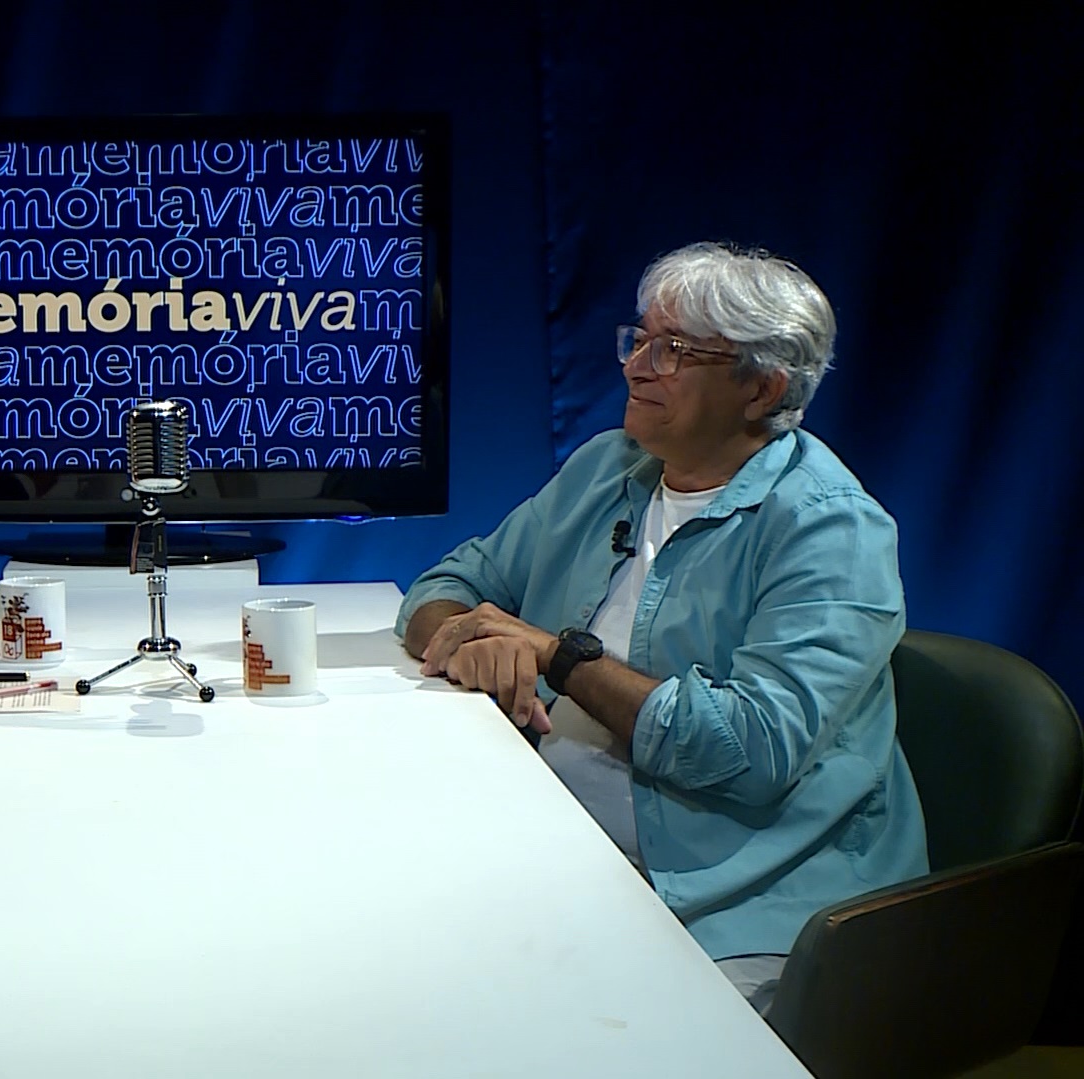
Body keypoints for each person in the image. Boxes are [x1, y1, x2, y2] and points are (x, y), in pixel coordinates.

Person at [397, 241, 927, 1013]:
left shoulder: (830, 531)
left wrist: (555, 656)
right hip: (550, 850)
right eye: (638, 338)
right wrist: (470, 640)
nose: (636, 366)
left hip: (737, 902)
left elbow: (750, 751)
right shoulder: (607, 468)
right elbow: (444, 588)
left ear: (761, 387)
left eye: (674, 350)